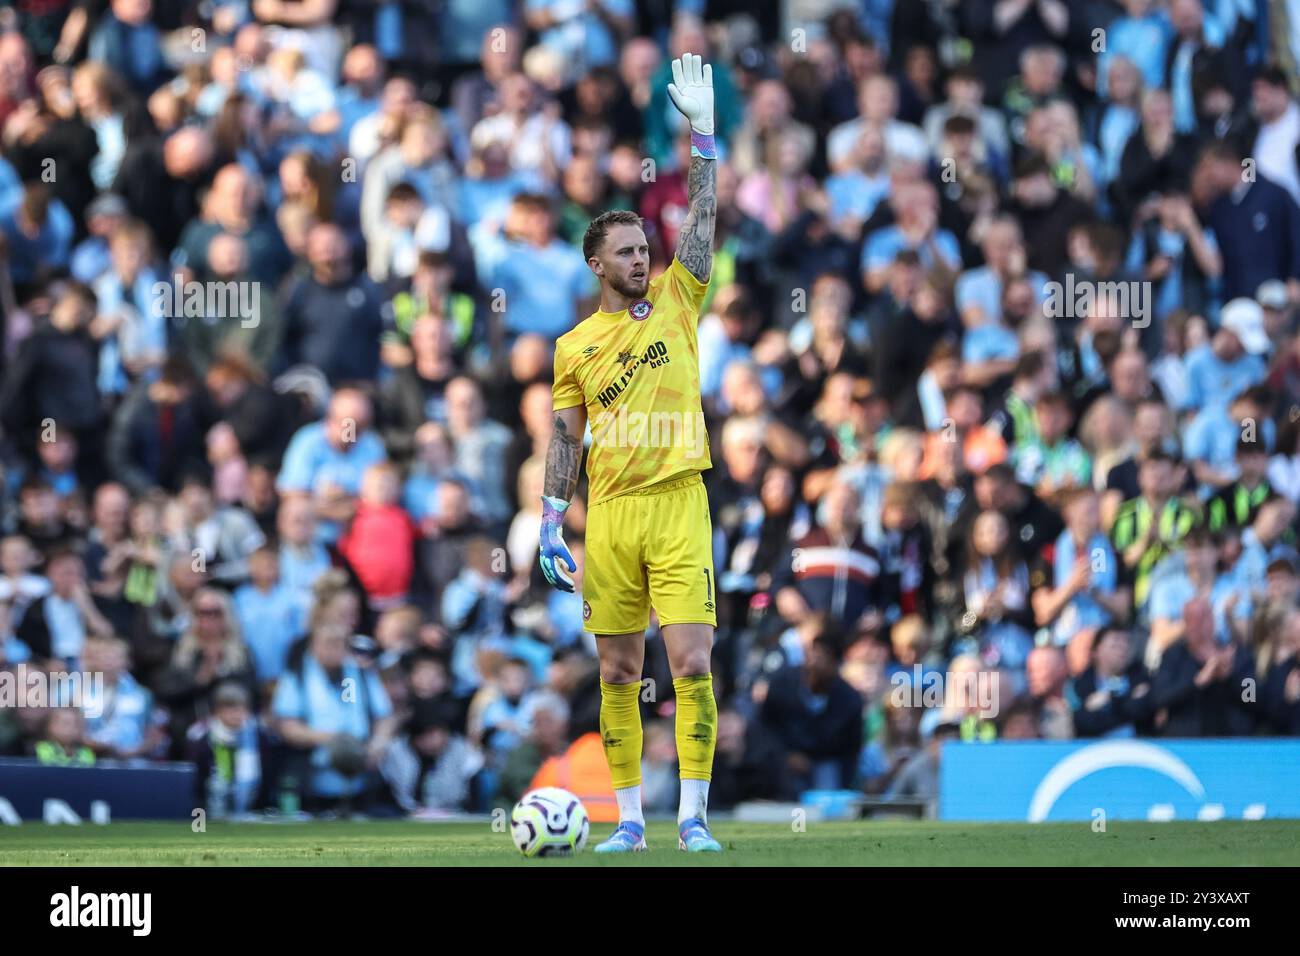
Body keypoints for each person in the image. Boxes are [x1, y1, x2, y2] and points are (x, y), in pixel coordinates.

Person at [537, 53, 722, 853]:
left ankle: (693, 818)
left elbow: (705, 227)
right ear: (596, 266)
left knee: (690, 661)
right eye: (626, 252)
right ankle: (631, 822)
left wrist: (704, 141)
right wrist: (550, 519)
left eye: (645, 247)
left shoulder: (680, 301)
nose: (642, 259)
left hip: (679, 501)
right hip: (609, 516)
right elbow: (565, 437)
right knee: (617, 673)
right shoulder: (574, 347)